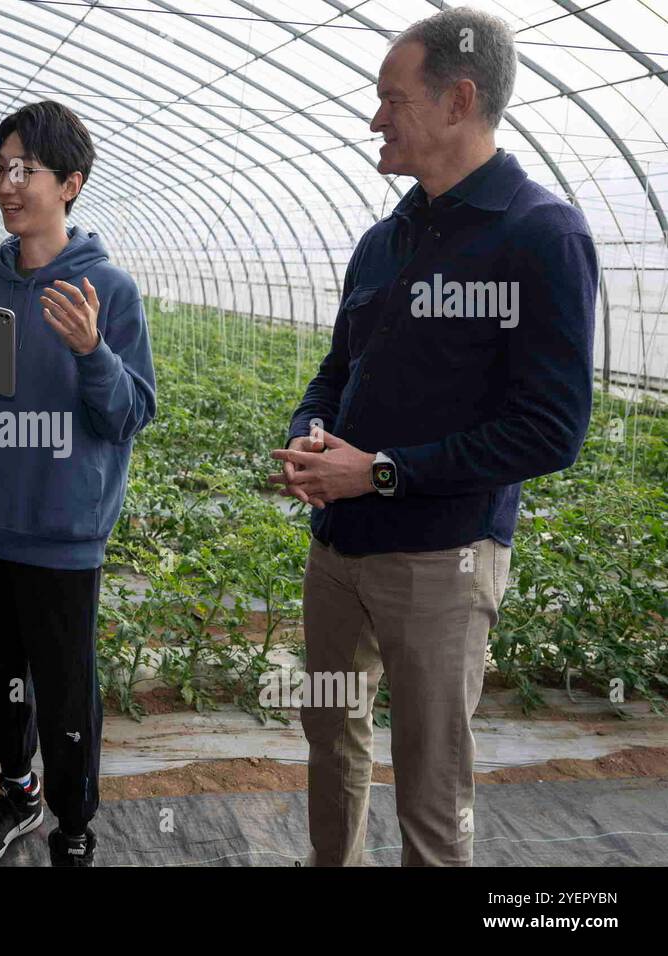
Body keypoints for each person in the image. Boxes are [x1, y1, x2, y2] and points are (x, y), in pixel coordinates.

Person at [270, 8, 597, 866]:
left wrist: (378, 473)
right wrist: (310, 435)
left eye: (392, 99)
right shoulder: (386, 240)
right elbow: (338, 369)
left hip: (440, 567)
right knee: (331, 734)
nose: (375, 118)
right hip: (338, 552)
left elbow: (551, 431)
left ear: (458, 101)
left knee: (430, 782)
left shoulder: (539, 234)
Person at [0, 100, 156, 866]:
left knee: (67, 693)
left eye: (25, 170)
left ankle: (74, 829)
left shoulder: (107, 292)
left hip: (62, 534)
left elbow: (129, 416)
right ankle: (20, 792)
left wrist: (92, 352)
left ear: (70, 183)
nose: (6, 184)